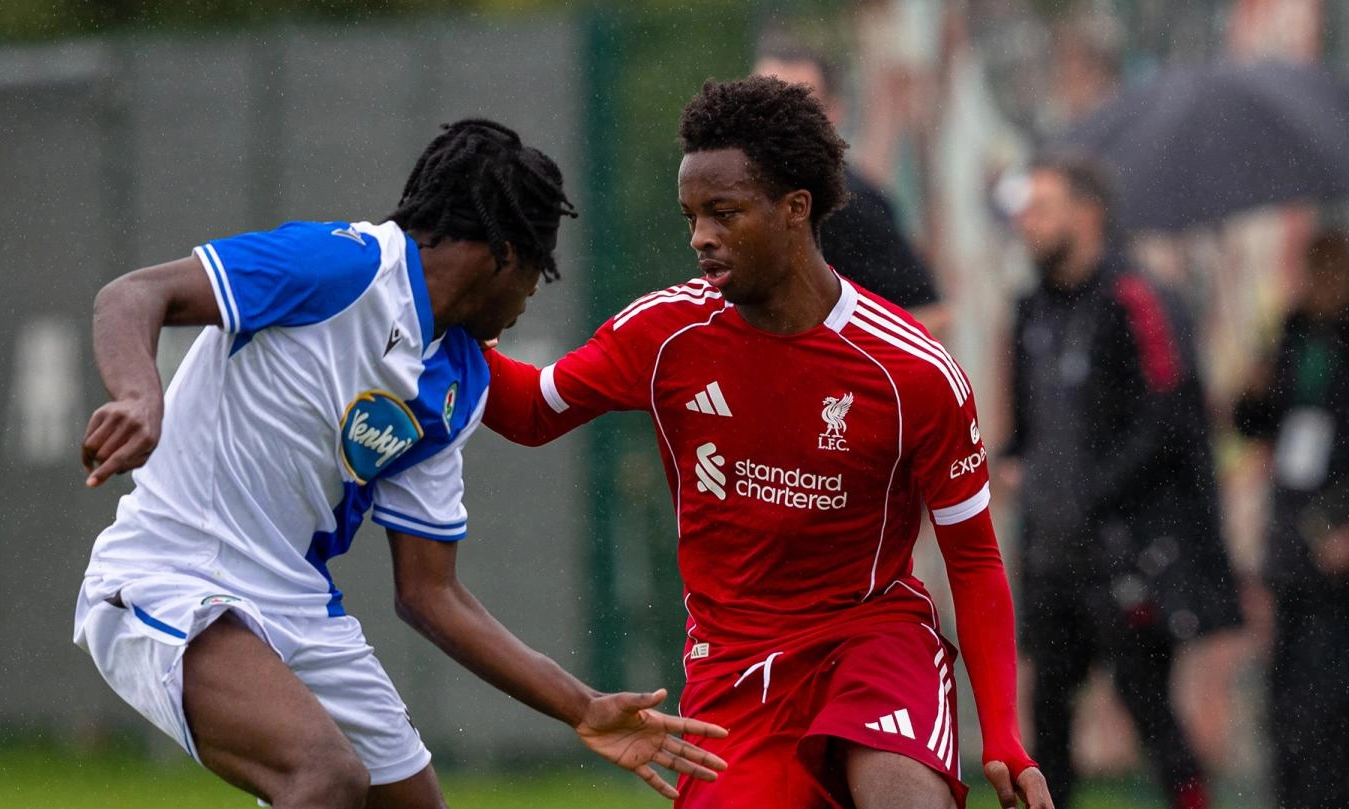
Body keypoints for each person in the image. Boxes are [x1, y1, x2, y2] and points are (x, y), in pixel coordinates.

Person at [73, 118, 726, 809]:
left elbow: (430, 594)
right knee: (327, 776)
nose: (534, 292)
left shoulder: (460, 381)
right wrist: (140, 396)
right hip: (169, 573)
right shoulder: (342, 266)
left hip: (296, 603)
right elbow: (132, 295)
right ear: (505, 254)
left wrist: (581, 706)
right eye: (538, 269)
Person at [482, 77, 1050, 809]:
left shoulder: (911, 369)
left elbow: (972, 556)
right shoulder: (666, 334)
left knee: (905, 799)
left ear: (795, 208)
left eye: (724, 213)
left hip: (873, 638)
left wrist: (1002, 731)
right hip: (734, 663)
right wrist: (435, 318)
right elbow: (531, 411)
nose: (700, 238)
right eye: (691, 217)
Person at [1000, 155, 1240, 809]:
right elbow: (1030, 425)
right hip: (1052, 555)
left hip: (1126, 552)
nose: (1028, 223)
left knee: (1149, 706)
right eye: (1025, 209)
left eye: (1043, 207)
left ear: (1088, 212)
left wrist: (1094, 493)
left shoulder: (1138, 298)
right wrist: (1015, 460)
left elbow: (1173, 417)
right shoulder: (1033, 312)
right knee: (1048, 714)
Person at [1233, 227, 1349, 809]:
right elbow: (1253, 424)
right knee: (1290, 694)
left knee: (1330, 694)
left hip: (1336, 543)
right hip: (1293, 541)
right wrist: (1251, 389)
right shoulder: (1291, 331)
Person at [752, 39, 949, 336]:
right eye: (761, 102)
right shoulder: (723, 194)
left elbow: (931, 314)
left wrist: (834, 363)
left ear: (833, 113)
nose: (776, 119)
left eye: (797, 104)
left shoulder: (849, 204)